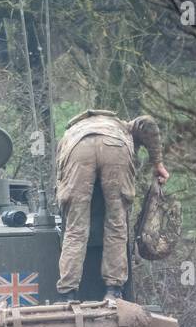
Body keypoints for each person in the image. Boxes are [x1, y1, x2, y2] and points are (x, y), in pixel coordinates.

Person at [55, 109, 170, 301]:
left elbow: (60, 180)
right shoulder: (122, 125)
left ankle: (68, 292)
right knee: (116, 224)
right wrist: (157, 163)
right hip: (115, 147)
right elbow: (147, 123)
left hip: (77, 148)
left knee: (75, 228)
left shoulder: (70, 133)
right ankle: (113, 291)